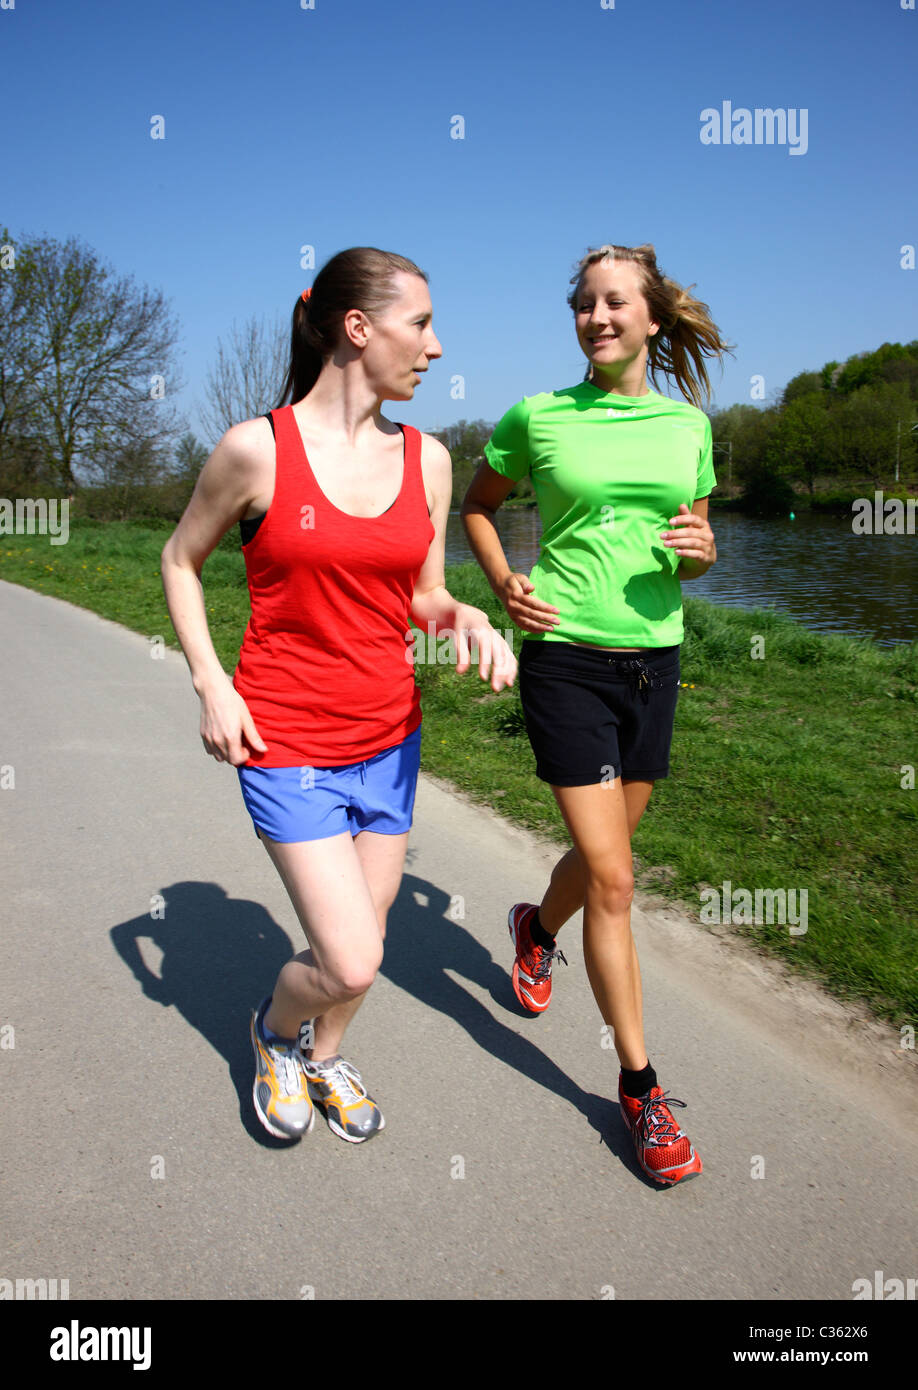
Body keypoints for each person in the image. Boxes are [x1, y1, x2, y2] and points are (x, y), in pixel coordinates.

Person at [161, 247, 516, 1144]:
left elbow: (424, 595)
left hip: (390, 740)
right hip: (288, 742)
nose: (436, 347)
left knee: (367, 944)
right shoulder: (257, 449)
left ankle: (322, 1058)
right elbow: (179, 562)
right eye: (422, 324)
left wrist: (463, 618)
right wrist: (212, 682)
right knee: (355, 959)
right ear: (358, 330)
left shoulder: (429, 460)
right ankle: (276, 1035)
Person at [461, 243, 731, 1185]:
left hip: (656, 664)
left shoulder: (689, 426)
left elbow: (693, 546)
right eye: (584, 304)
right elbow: (480, 505)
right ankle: (640, 1088)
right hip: (566, 661)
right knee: (617, 880)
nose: (597, 316)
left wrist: (702, 553)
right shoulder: (538, 418)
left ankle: (536, 930)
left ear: (653, 317)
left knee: (600, 855)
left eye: (616, 303)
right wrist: (505, 583)